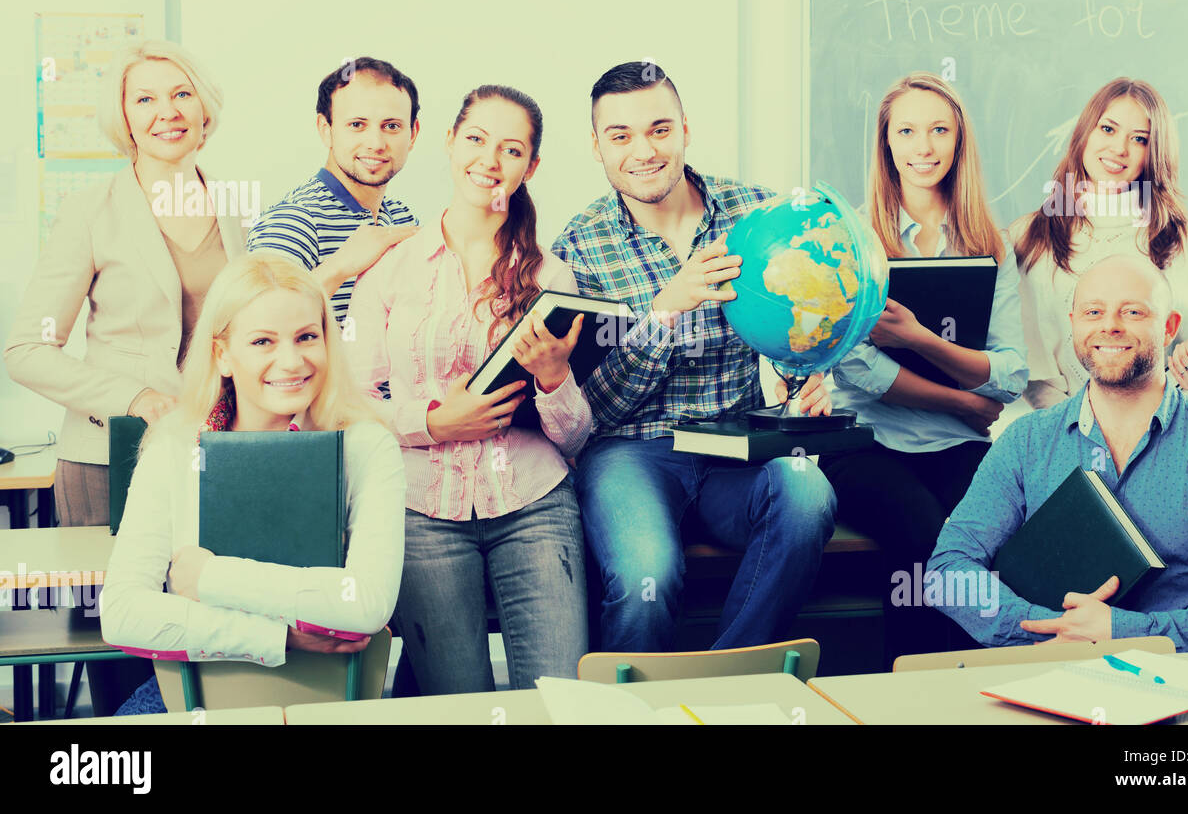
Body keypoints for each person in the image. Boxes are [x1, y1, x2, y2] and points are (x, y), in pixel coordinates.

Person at [551, 61, 837, 653]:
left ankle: (730, 678)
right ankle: (628, 712)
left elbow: (796, 319)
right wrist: (664, 312)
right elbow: (591, 405)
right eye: (620, 135)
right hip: (631, 451)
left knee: (809, 492)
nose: (644, 151)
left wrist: (804, 378)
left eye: (659, 129)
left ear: (685, 128)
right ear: (597, 146)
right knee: (644, 580)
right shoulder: (576, 248)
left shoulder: (755, 214)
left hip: (737, 444)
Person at [4, 38, 246, 715]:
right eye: (145, 98)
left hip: (214, 456)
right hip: (111, 463)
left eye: (180, 93)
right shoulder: (91, 210)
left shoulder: (233, 208)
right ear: (124, 117)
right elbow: (26, 347)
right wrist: (136, 398)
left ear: (204, 108)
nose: (166, 111)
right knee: (126, 646)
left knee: (207, 636)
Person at [349, 85, 590, 694]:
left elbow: (577, 436)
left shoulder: (550, 275)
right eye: (477, 140)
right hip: (421, 510)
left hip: (534, 504)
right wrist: (434, 422)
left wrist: (555, 378)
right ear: (449, 141)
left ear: (530, 167)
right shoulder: (393, 266)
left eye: (511, 150)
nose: (490, 160)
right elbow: (346, 408)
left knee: (558, 698)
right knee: (458, 703)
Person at [927, 254, 1188, 651]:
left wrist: (1126, 632)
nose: (1110, 325)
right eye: (1093, 311)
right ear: (1073, 325)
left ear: (1169, 327)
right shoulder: (1025, 442)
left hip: (1184, 682)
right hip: (1047, 672)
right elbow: (949, 571)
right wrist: (1051, 629)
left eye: (1133, 311)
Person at [100, 252, 406, 713]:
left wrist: (208, 578)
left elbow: (364, 605)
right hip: (194, 694)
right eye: (263, 341)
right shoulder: (175, 447)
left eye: (307, 336)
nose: (291, 360)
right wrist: (279, 636)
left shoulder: (367, 445)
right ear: (222, 354)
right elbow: (122, 613)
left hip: (328, 698)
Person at [823, 73, 1028, 660]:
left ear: (959, 141)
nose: (924, 147)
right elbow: (858, 368)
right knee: (920, 537)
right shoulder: (854, 240)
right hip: (864, 441)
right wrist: (963, 399)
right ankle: (914, 694)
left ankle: (975, 691)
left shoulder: (990, 242)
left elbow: (1011, 372)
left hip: (956, 443)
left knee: (990, 541)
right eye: (907, 131)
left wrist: (918, 338)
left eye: (940, 130)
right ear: (886, 144)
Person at [1010, 77, 1188, 409]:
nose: (1119, 148)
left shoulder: (1173, 237)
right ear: (1084, 134)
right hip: (1059, 433)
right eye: (1108, 129)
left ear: (1153, 153)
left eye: (1139, 139)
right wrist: (1071, 430)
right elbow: (1030, 364)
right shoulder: (1028, 236)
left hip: (1155, 433)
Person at [247, 56, 421, 324]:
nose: (375, 143)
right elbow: (260, 326)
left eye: (391, 126)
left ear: (413, 134)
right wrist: (340, 266)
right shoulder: (292, 220)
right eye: (357, 125)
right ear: (325, 130)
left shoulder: (403, 219)